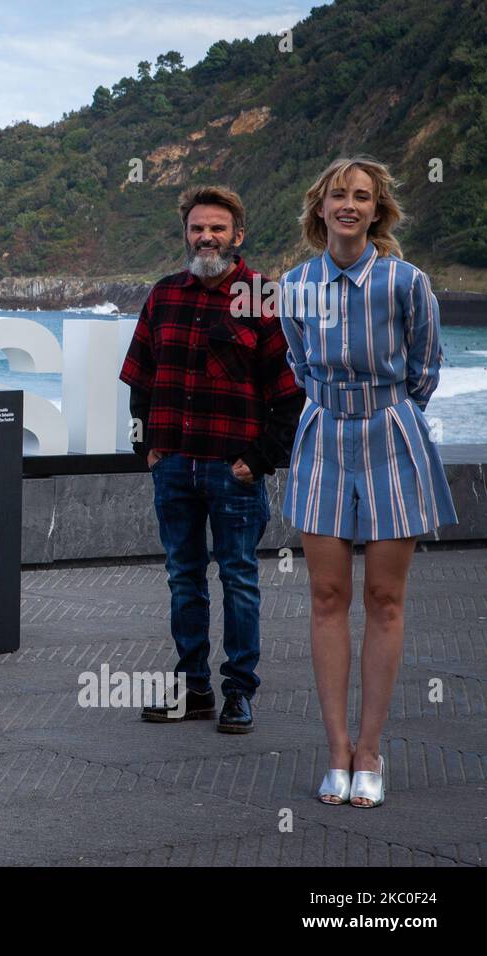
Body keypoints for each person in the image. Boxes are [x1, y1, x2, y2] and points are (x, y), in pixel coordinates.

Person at [280, 157, 457, 808]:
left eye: (362, 196)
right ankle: (334, 752)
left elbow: (426, 367)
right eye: (338, 195)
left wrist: (388, 411)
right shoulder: (296, 286)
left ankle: (370, 750)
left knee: (384, 599)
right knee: (327, 596)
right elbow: (299, 364)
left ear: (377, 210)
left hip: (391, 434)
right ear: (320, 207)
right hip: (323, 435)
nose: (349, 204)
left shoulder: (408, 283)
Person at [119, 185, 303, 732]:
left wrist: (259, 459)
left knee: (240, 579)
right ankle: (193, 689)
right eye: (198, 228)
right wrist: (146, 447)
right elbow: (140, 379)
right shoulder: (164, 295)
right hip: (173, 464)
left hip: (234, 469)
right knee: (183, 578)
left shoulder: (264, 299)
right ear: (186, 233)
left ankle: (238, 691)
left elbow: (290, 393)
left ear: (237, 235)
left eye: (217, 228)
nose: (206, 237)